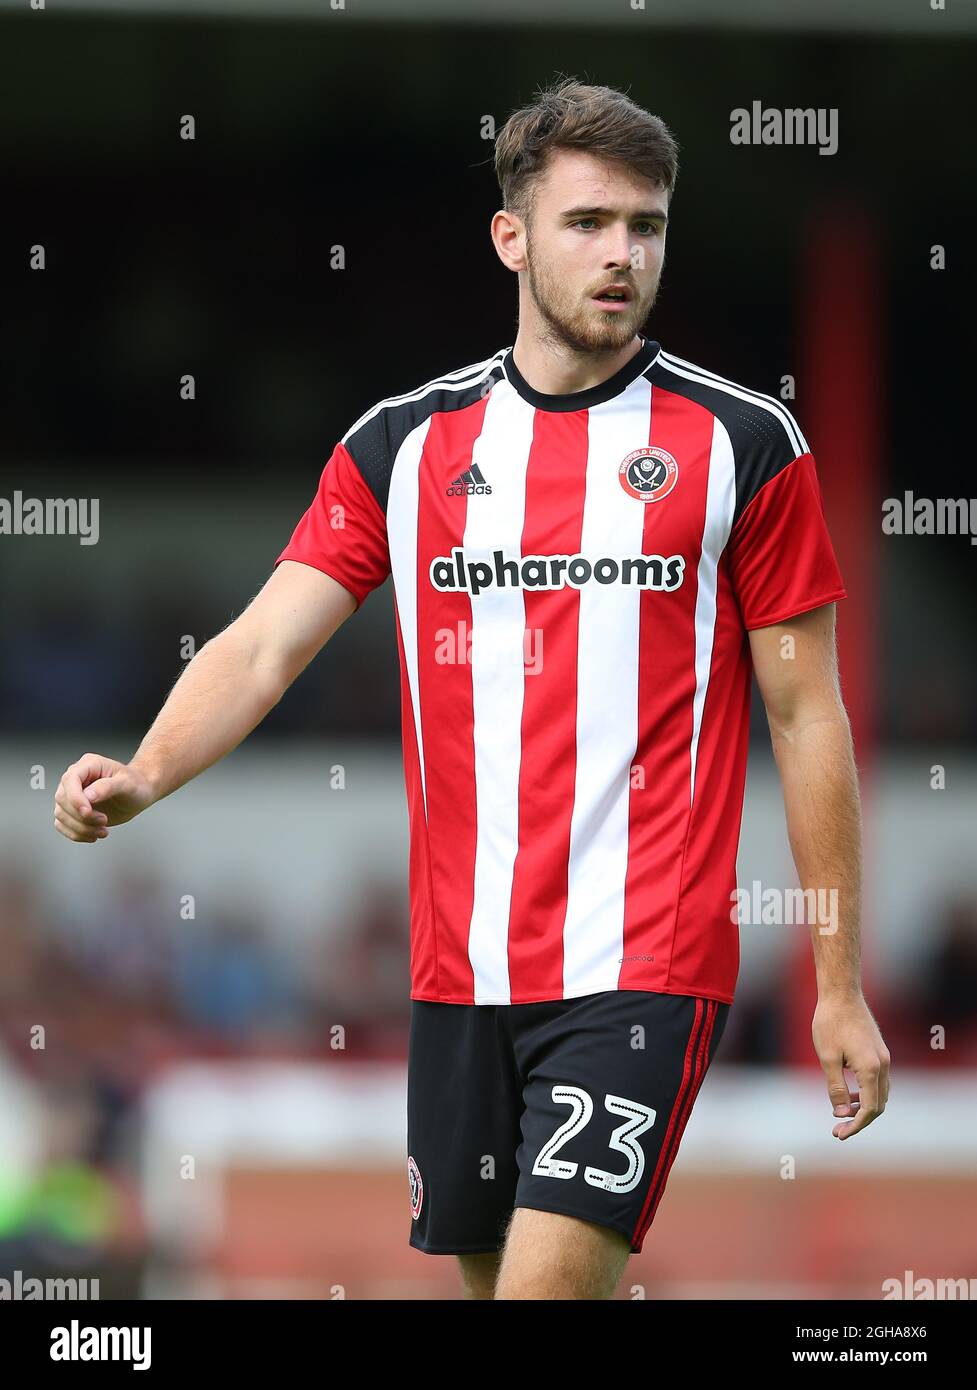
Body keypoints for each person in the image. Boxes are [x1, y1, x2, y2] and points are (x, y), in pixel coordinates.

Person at [54, 77, 890, 1301]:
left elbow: (805, 715)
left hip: (638, 961)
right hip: (460, 974)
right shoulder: (406, 446)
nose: (621, 255)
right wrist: (145, 773)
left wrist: (838, 984)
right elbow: (262, 644)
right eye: (588, 222)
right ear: (510, 236)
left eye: (645, 228)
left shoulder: (740, 443)